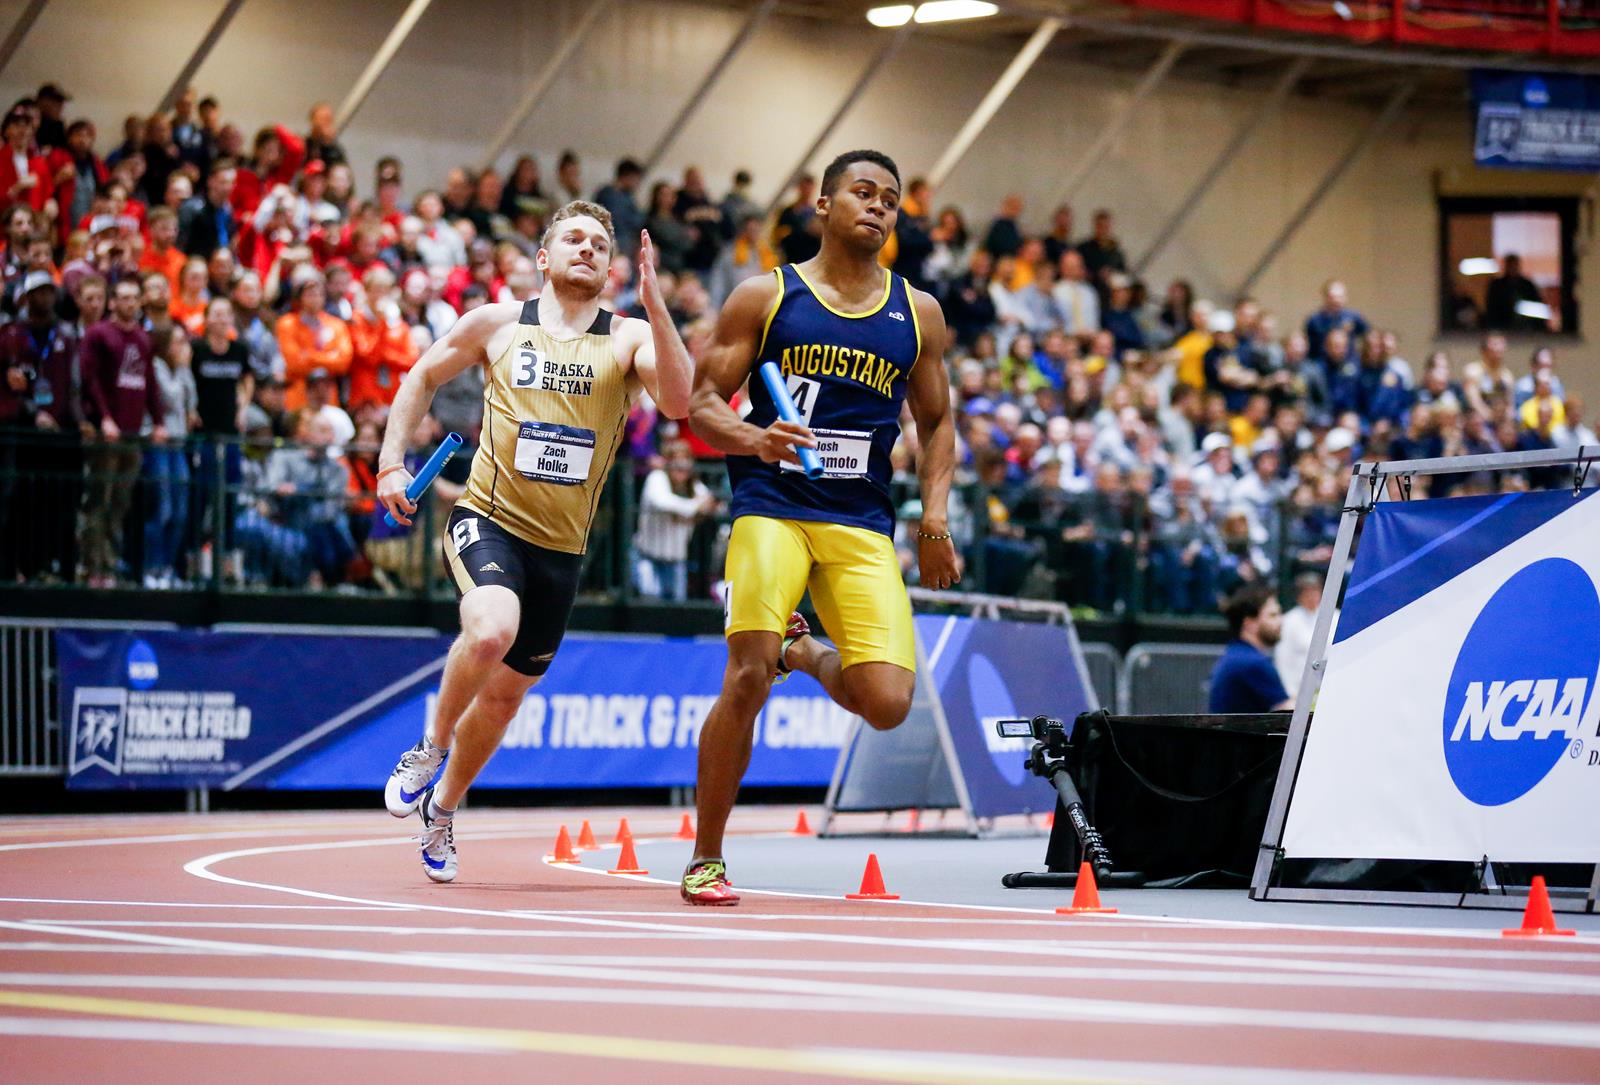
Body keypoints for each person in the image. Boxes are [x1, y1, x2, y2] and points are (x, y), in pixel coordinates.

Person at [376, 203, 693, 883]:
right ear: (543, 258)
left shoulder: (627, 337)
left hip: (562, 550)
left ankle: (443, 809)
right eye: (572, 239)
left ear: (612, 270)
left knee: (503, 700)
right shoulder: (498, 324)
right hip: (487, 517)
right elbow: (421, 376)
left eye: (600, 244)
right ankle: (429, 748)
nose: (587, 248)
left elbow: (678, 401)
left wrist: (659, 308)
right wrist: (390, 463)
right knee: (491, 629)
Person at [684, 149, 958, 905]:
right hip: (772, 503)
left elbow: (938, 425)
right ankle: (707, 854)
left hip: (862, 520)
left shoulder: (918, 312)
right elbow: (702, 403)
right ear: (824, 206)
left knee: (888, 701)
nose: (877, 207)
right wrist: (752, 438)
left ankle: (799, 651)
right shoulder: (765, 296)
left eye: (891, 200)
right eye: (862, 193)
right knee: (744, 672)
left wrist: (934, 518)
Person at [634, 446, 716, 601]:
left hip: (677, 560)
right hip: (649, 556)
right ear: (668, 462)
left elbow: (711, 502)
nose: (681, 465)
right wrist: (694, 506)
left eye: (686, 460)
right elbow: (662, 502)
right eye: (676, 460)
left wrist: (696, 506)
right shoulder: (657, 477)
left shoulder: (693, 483)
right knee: (648, 608)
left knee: (677, 613)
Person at [1208, 583, 1293, 713]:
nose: (1281, 621)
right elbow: (1291, 714)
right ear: (1249, 623)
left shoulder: (1236, 655)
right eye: (1273, 615)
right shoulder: (1253, 663)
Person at [1273, 572, 1324, 698]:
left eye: (1315, 591)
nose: (1311, 597)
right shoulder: (1288, 621)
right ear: (1299, 596)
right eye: (1307, 593)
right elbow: (1283, 658)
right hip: (1298, 690)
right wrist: (1290, 693)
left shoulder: (1336, 618)